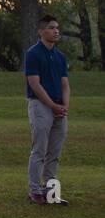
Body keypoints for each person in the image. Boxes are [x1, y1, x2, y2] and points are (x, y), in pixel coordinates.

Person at [24, 15, 70, 205]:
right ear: (41, 31)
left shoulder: (60, 57)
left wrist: (64, 106)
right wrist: (52, 105)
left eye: (57, 28)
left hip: (59, 107)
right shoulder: (33, 53)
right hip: (41, 105)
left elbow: (65, 84)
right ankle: (35, 189)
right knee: (39, 150)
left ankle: (51, 191)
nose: (55, 31)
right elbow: (34, 83)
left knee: (54, 152)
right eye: (51, 28)